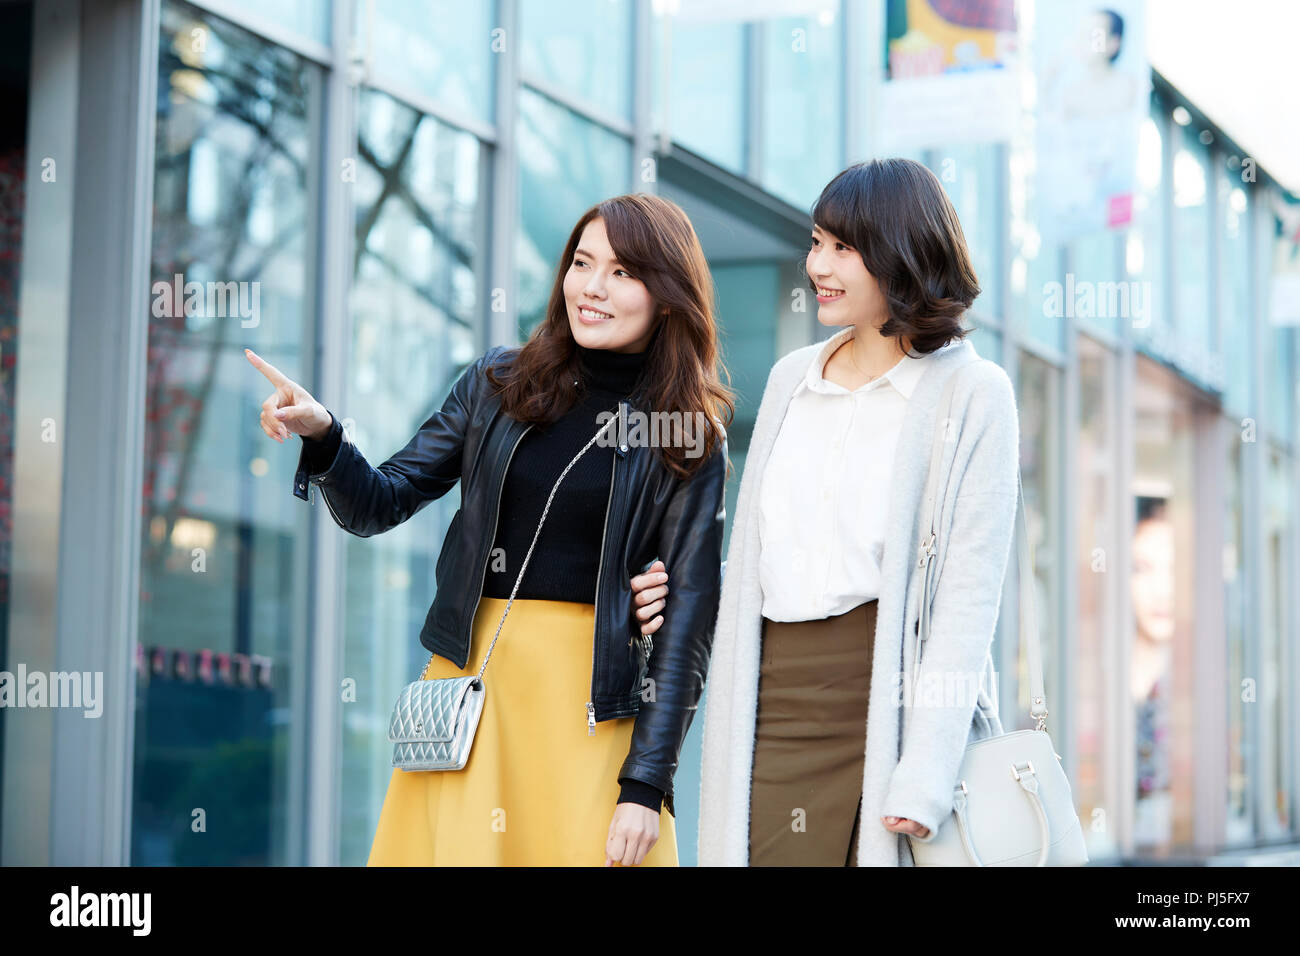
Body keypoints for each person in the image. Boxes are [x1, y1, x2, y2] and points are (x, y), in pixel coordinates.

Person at [247, 193, 733, 866]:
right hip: (471, 688)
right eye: (582, 262)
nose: (592, 288)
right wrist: (325, 435)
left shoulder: (687, 435)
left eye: (622, 272)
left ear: (668, 295)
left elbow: (688, 627)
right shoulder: (498, 382)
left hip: (591, 709)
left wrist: (646, 784)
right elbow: (379, 503)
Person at [630, 158, 1020, 866]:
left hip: (884, 709)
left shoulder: (973, 394)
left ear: (902, 253)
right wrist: (692, 588)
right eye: (815, 243)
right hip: (769, 707)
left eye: (843, 247)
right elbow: (770, 552)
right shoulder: (790, 380)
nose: (818, 265)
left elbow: (967, 601)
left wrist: (926, 772)